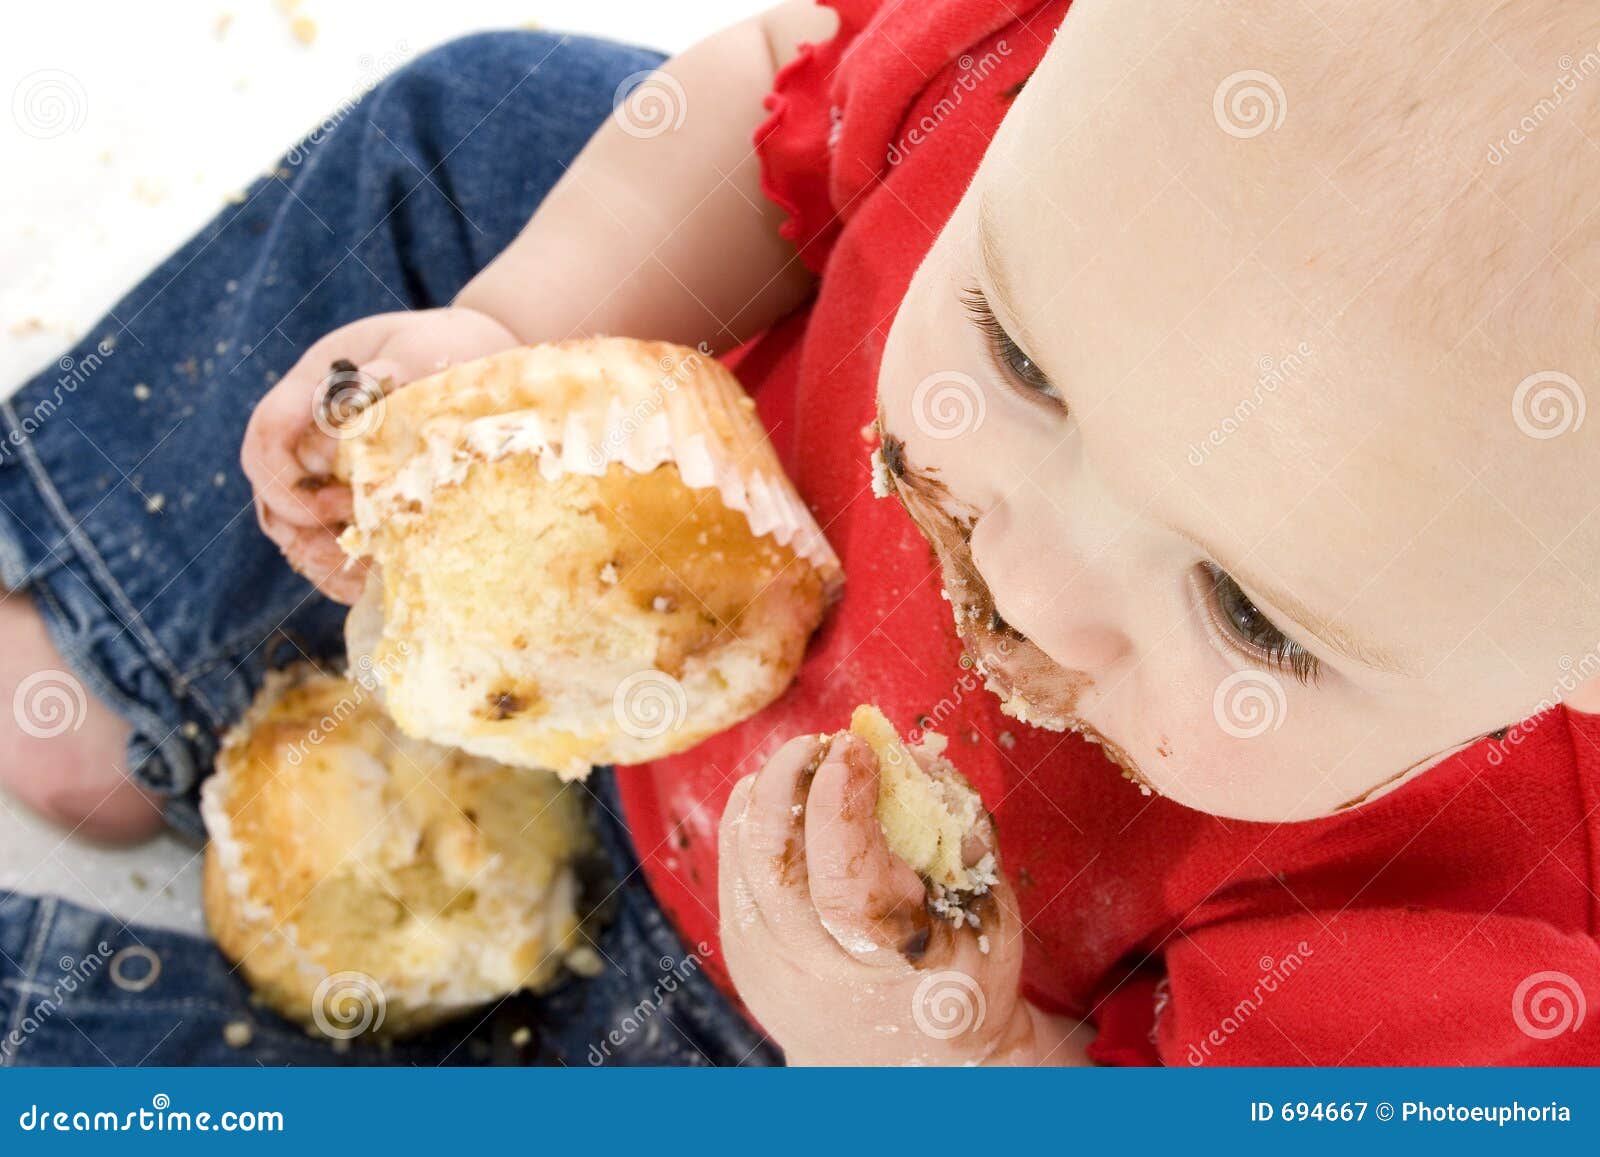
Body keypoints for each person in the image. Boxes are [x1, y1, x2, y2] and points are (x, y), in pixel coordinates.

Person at [5, 0, 1598, 1065]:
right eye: (1023, 359)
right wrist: (516, 336)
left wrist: (944, 1063)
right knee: (487, 120)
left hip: (756, 1032)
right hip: (645, 527)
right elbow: (787, 79)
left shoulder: (1497, 927)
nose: (1027, 577)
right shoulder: (1042, 59)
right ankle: (134, 631)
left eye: (1254, 615)